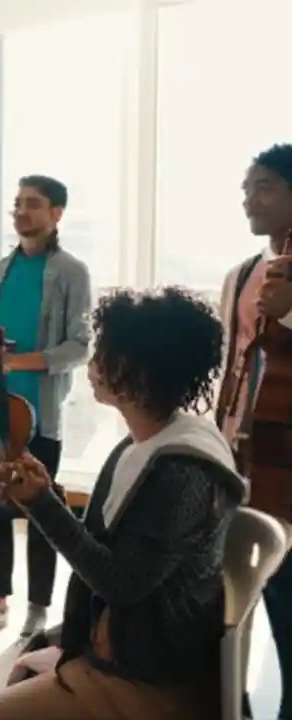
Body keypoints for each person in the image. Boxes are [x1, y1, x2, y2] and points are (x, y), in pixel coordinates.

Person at [0, 287, 243, 720]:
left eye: (106, 354)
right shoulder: (146, 443)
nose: (93, 366)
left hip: (155, 671)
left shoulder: (182, 471)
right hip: (126, 643)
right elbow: (113, 545)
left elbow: (120, 582)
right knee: (25, 666)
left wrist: (43, 505)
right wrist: (46, 497)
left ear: (142, 372)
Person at [0, 175, 92, 640]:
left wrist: (21, 360)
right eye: (17, 204)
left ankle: (39, 607)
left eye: (33, 204)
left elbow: (80, 346)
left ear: (56, 213)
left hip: (38, 412)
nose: (21, 211)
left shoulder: (71, 272)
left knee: (41, 510)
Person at [215, 142, 292, 719]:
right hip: (238, 457)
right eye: (246, 186)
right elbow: (231, 363)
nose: (248, 197)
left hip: (287, 465)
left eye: (263, 185)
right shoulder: (241, 273)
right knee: (230, 604)